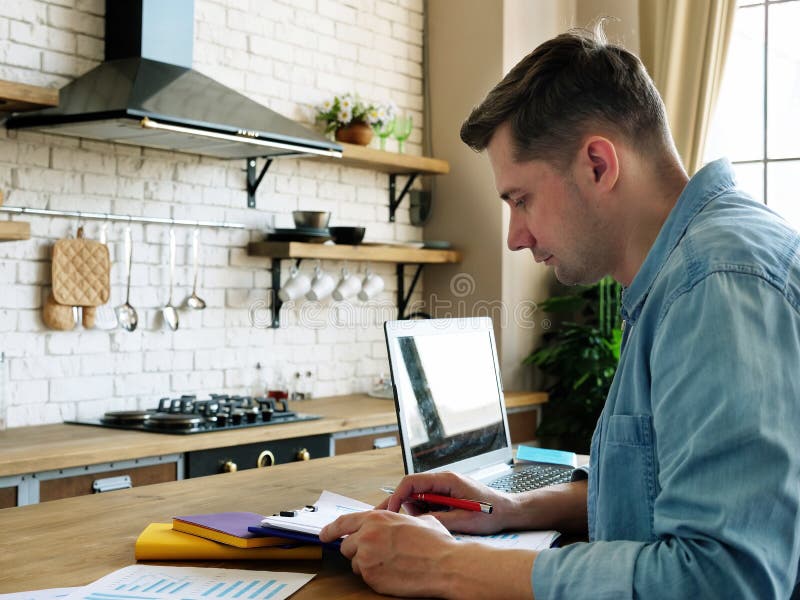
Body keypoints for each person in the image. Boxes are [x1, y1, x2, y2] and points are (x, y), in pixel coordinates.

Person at [320, 24, 800, 599]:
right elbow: (667, 490)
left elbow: (722, 581)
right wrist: (509, 509)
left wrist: (445, 565)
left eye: (521, 200)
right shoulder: (691, 269)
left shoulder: (714, 286)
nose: (515, 237)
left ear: (598, 164)